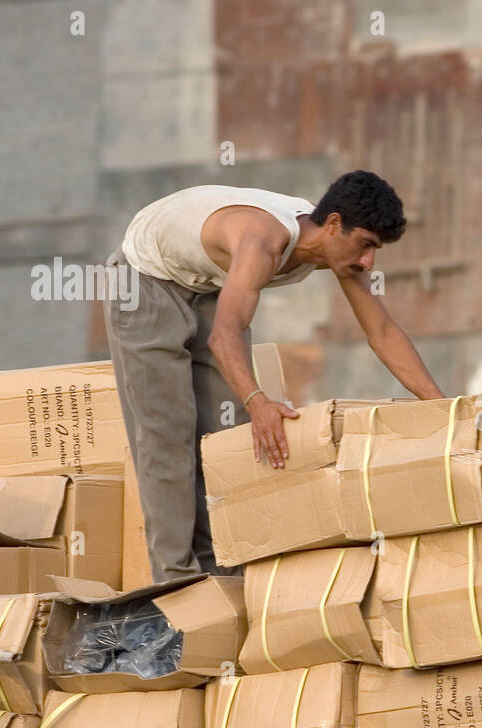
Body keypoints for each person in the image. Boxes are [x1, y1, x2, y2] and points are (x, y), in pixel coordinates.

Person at [103, 171, 444, 582]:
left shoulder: (333, 247)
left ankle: (223, 575)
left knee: (225, 438)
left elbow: (383, 334)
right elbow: (224, 334)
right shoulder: (263, 242)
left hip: (209, 280)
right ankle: (177, 585)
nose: (368, 261)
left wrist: (443, 411)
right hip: (145, 278)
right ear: (334, 224)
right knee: (169, 434)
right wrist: (258, 400)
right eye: (366, 245)